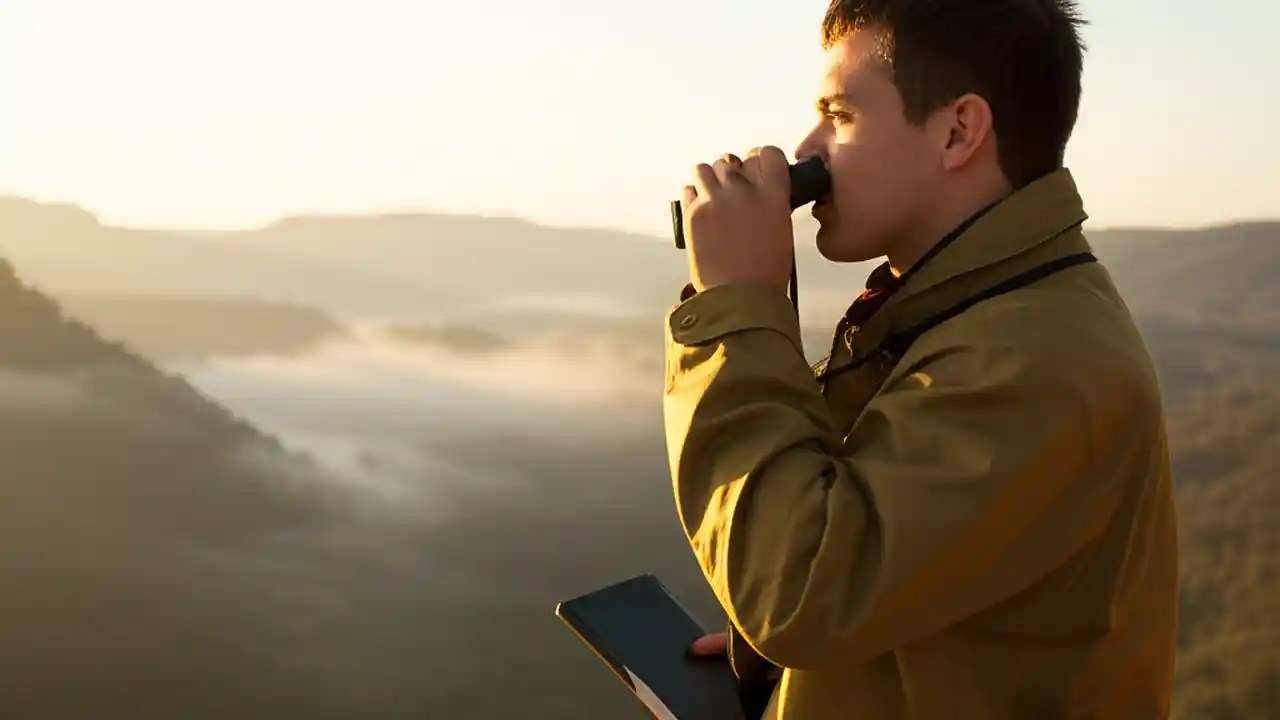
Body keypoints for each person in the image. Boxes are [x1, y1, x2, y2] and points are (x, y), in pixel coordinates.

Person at [663, 1, 1179, 718]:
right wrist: (804, 672)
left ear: (958, 131)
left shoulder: (1034, 359)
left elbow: (804, 592)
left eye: (838, 115)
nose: (804, 148)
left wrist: (738, 308)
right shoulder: (964, 311)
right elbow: (912, 568)